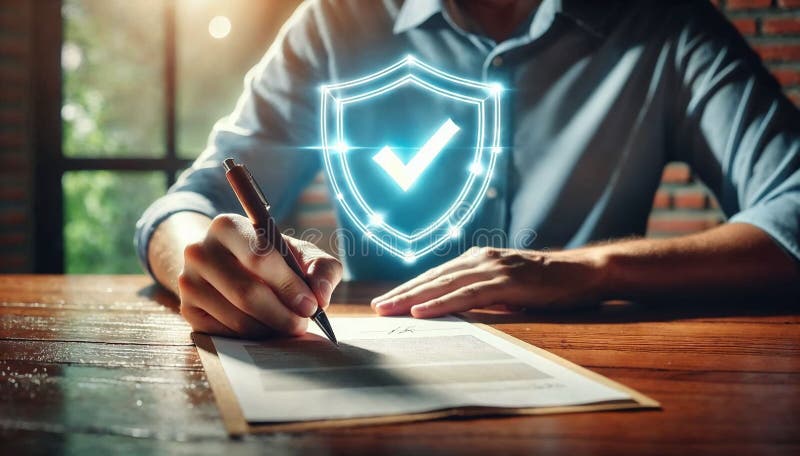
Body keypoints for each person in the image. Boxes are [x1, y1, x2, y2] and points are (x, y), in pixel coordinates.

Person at [136, 0, 800, 338]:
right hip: (378, 387)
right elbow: (185, 206)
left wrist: (594, 270)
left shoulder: (666, 26)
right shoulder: (336, 21)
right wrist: (204, 255)